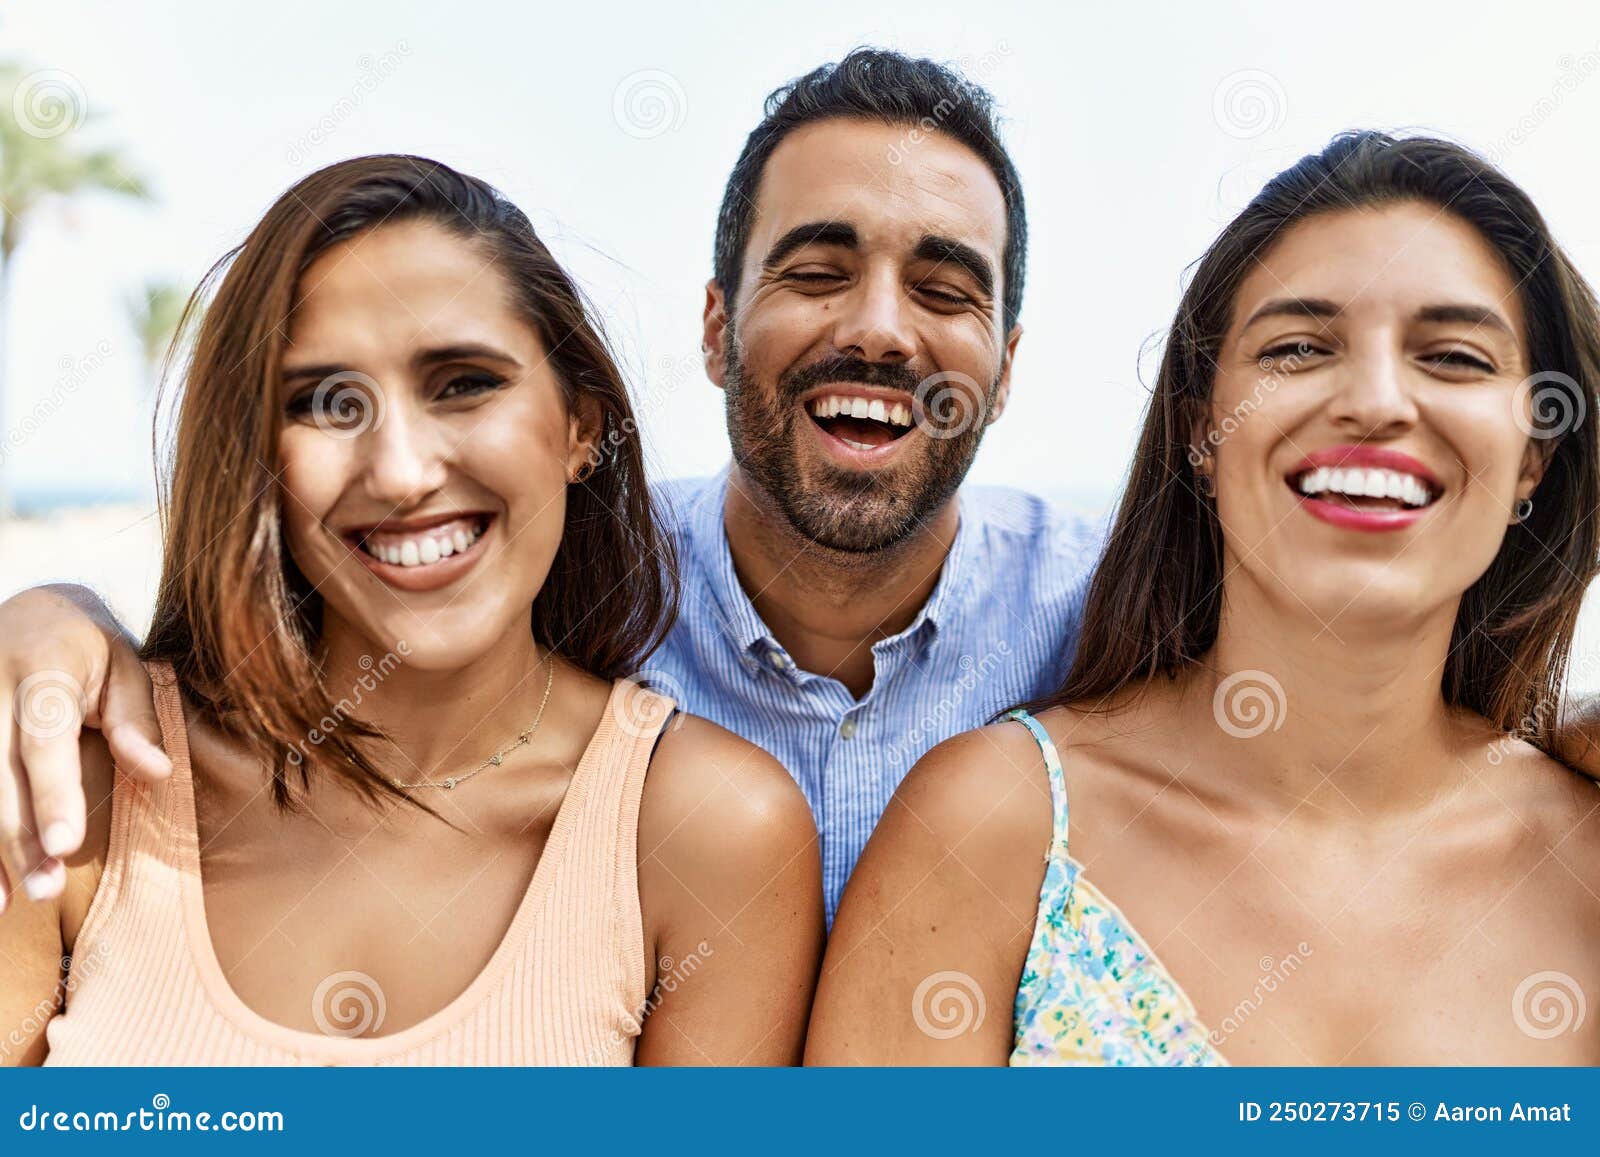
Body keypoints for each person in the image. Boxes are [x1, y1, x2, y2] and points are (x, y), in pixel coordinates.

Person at [0, 49, 1103, 927]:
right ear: (716, 331)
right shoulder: (569, 574)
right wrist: (60, 619)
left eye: (945, 289)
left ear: (1003, 368)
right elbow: (295, 637)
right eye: (814, 273)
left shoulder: (1114, 610)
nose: (875, 327)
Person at [0, 156, 823, 1065]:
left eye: (464, 382)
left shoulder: (706, 832)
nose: (399, 470)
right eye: (327, 402)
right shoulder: (80, 788)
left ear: (581, 425)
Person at [808, 132, 1600, 1066]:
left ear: (1534, 459)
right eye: (1300, 348)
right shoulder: (993, 827)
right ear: (1202, 434)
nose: (1378, 401)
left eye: (1457, 358)